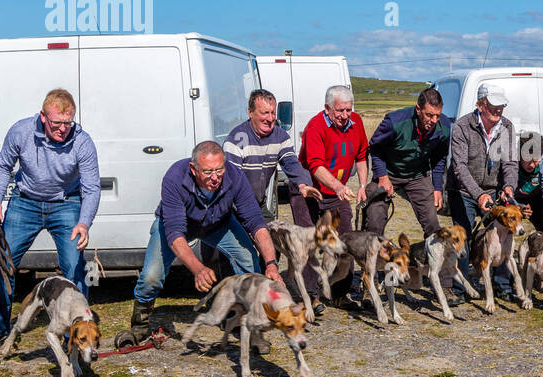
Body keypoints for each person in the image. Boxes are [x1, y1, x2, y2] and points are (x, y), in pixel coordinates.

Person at [0, 89, 101, 353]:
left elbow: (91, 187)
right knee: (2, 263)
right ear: (43, 117)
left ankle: (75, 336)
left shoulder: (83, 142)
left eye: (68, 123)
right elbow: (3, 166)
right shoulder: (20, 132)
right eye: (56, 123)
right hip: (25, 202)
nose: (63, 129)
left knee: (74, 268)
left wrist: (84, 222)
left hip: (66, 202)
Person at [124, 141, 283, 347]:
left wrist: (271, 263)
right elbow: (174, 233)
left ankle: (248, 325)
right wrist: (198, 269)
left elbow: (256, 223)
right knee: (151, 276)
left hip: (218, 223)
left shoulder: (234, 176)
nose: (215, 177)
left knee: (249, 260)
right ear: (194, 168)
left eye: (219, 170)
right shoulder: (174, 178)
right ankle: (139, 325)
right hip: (176, 227)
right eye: (208, 172)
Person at [291, 85, 368, 311]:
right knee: (309, 242)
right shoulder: (315, 127)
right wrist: (337, 186)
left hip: (337, 191)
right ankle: (310, 297)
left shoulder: (356, 122)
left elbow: (362, 156)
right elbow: (315, 166)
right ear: (327, 108)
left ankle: (339, 293)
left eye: (348, 110)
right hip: (309, 191)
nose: (345, 115)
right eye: (339, 111)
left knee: (346, 241)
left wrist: (362, 185)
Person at [448, 83, 518, 295]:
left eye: (501, 106)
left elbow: (510, 162)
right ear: (480, 105)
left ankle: (502, 285)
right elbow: (459, 167)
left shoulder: (507, 126)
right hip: (464, 191)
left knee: (502, 233)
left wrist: (508, 186)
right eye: (493, 106)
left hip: (495, 190)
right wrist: (478, 194)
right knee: (463, 237)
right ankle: (461, 288)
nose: (498, 110)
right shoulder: (462, 126)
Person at [363, 86, 452, 240]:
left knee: (433, 225)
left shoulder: (444, 126)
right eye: (429, 115)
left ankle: (430, 260)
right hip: (389, 173)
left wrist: (437, 187)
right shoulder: (394, 122)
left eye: (437, 115)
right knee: (374, 222)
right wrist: (382, 176)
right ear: (418, 109)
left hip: (418, 176)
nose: (434, 121)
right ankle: (373, 257)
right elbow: (375, 148)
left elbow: (439, 158)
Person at [223, 89, 321, 219]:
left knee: (273, 237)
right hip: (234, 208)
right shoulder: (236, 140)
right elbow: (232, 183)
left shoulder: (280, 136)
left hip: (258, 203)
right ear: (250, 113)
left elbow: (291, 163)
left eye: (273, 113)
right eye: (264, 113)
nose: (270, 118)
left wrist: (302, 184)